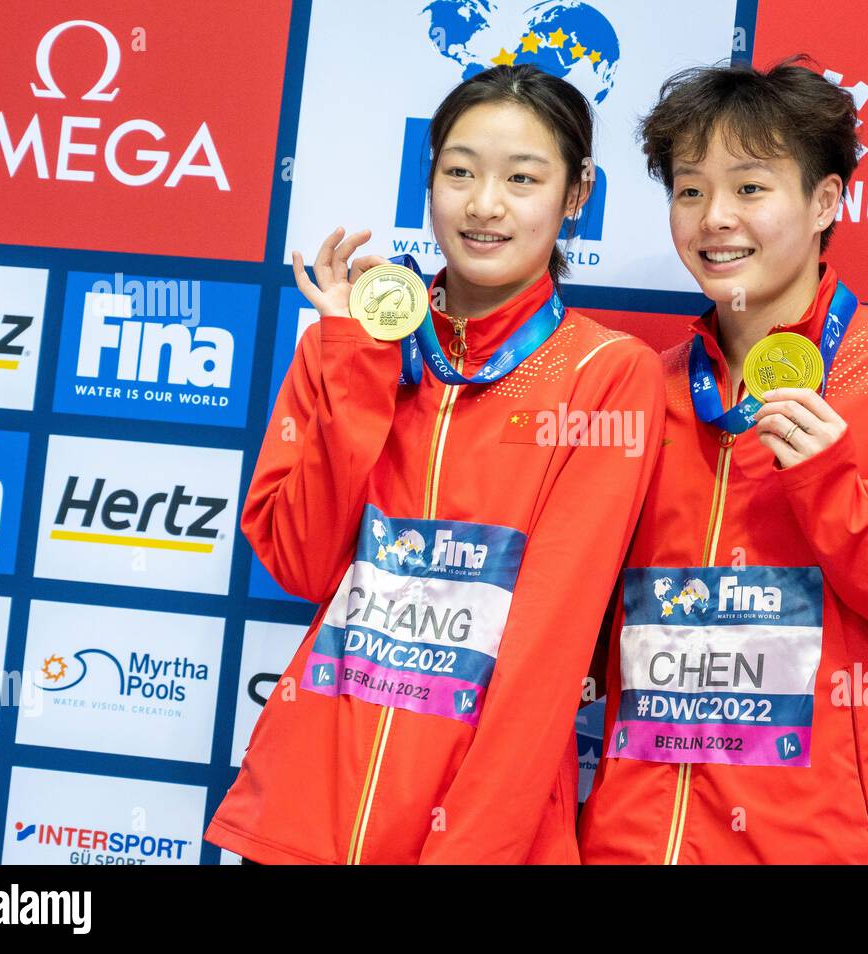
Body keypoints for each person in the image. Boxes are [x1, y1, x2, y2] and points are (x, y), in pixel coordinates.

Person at [577, 56, 868, 864]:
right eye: (689, 190)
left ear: (826, 200)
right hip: (634, 838)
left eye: (750, 188)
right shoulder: (645, 389)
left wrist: (836, 496)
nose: (714, 217)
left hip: (813, 845)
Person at [205, 64, 665, 864]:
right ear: (428, 181)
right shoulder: (347, 345)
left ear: (577, 192)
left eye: (523, 178)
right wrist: (356, 361)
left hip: (475, 828)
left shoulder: (605, 373)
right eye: (459, 172)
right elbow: (302, 563)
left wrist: (471, 846)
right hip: (301, 817)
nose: (485, 204)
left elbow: (548, 651)